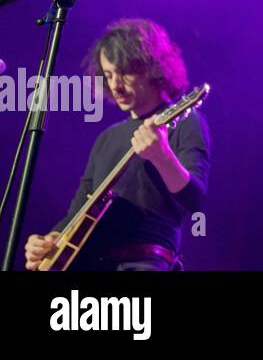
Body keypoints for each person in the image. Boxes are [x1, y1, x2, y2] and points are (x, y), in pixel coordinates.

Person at [23, 18, 210, 271]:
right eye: (108, 75)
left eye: (124, 73)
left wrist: (162, 157)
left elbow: (194, 198)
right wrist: (48, 242)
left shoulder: (184, 122)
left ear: (153, 68)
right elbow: (78, 212)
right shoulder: (106, 138)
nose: (115, 85)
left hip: (144, 262)